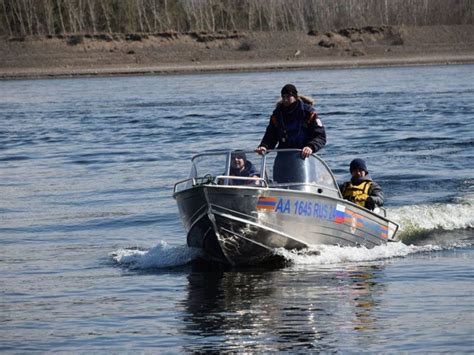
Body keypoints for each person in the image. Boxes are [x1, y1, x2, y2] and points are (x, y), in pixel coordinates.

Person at [256, 84, 326, 158]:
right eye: (284, 97)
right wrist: (264, 146)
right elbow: (270, 135)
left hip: (305, 157)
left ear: (295, 97)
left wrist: (311, 147)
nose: (286, 100)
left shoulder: (308, 113)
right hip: (284, 157)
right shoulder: (277, 115)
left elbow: (320, 136)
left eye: (289, 97)